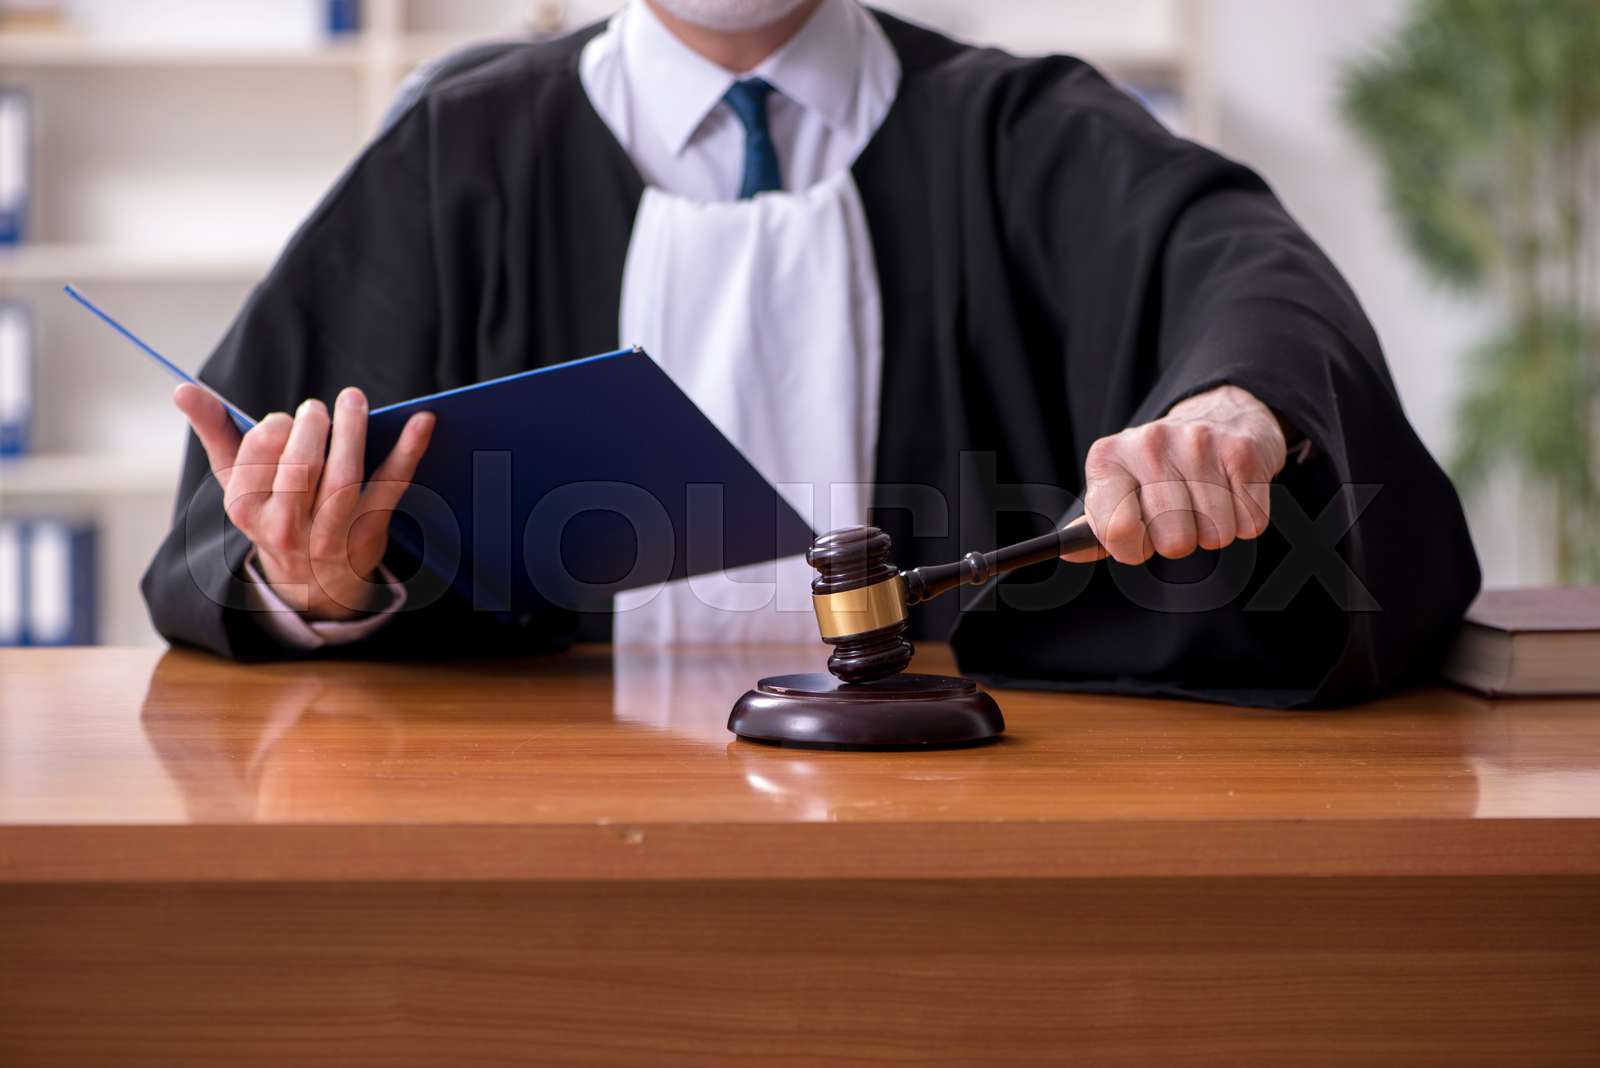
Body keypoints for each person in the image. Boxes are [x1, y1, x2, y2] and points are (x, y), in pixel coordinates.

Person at [143, 0, 1481, 707]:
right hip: (555, 842)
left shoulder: (1015, 131)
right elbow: (253, 496)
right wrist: (311, 578)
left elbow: (1248, 271)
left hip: (959, 838)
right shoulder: (456, 160)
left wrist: (1234, 410)